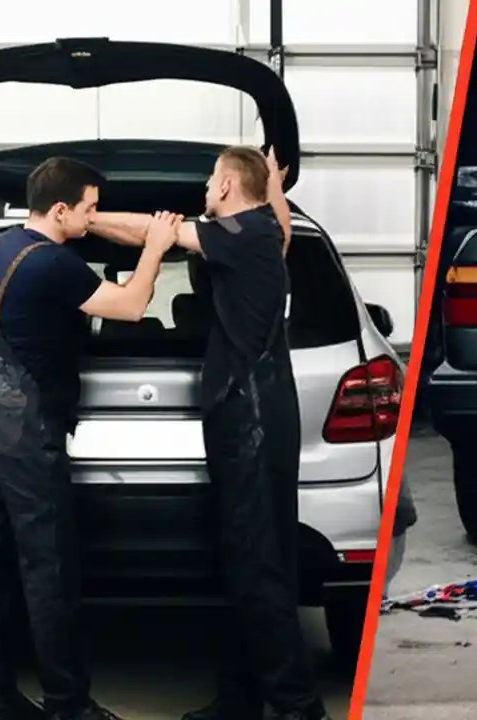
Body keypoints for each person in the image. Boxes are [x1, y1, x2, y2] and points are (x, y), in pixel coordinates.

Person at [88, 145, 329, 720]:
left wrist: (86, 218)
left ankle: (300, 708)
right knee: (249, 561)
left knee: (257, 567)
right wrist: (272, 184)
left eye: (207, 184)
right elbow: (285, 227)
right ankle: (239, 702)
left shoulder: (238, 234)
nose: (202, 193)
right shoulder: (266, 231)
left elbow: (151, 233)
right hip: (263, 413)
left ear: (224, 188)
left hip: (247, 418)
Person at [0, 156, 181, 720]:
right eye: (87, 208)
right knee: (48, 564)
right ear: (59, 210)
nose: (94, 216)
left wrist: (103, 225)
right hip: (30, 416)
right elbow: (132, 306)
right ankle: (68, 703)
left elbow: (77, 250)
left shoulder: (8, 245)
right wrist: (155, 244)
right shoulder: (55, 266)